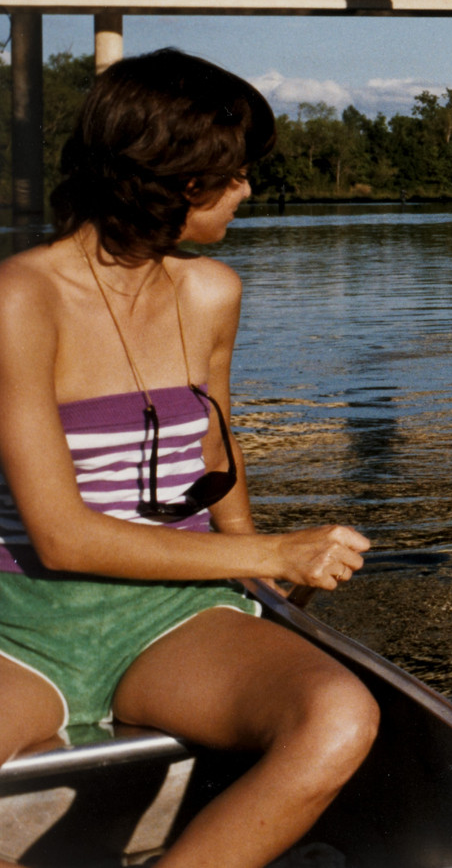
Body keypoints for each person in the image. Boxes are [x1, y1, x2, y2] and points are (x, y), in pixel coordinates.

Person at [0, 50, 377, 868]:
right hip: (23, 618)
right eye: (234, 174)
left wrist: (260, 580)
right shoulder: (18, 299)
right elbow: (62, 537)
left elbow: (215, 443)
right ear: (172, 179)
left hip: (172, 613)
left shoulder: (213, 293)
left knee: (340, 716)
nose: (247, 190)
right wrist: (272, 552)